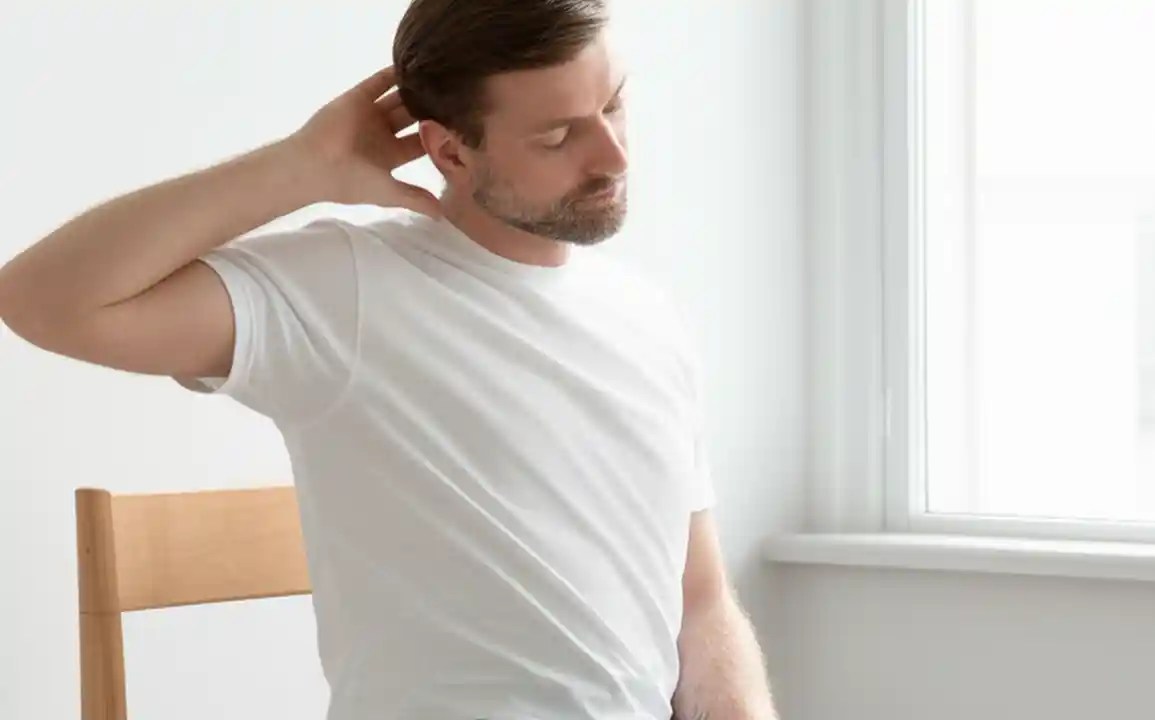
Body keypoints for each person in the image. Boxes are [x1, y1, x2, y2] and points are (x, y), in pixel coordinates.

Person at [0, 1, 778, 718]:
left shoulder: (650, 320)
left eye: (613, 104)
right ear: (450, 151)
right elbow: (43, 301)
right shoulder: (345, 291)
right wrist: (302, 165)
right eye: (557, 134)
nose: (613, 154)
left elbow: (700, 601)